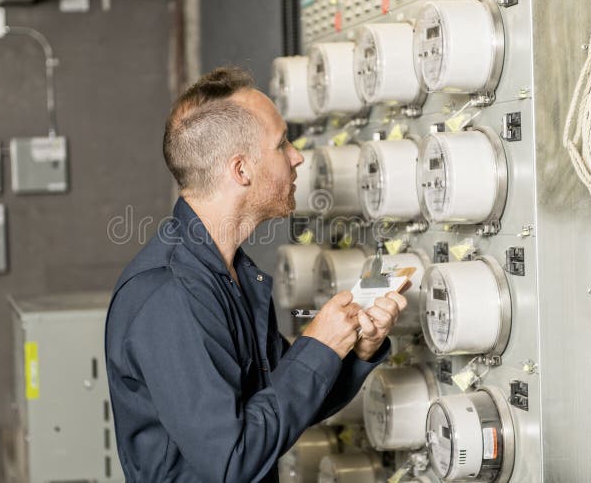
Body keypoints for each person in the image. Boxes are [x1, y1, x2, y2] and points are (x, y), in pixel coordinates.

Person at [105, 67, 407, 482]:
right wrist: (317, 346)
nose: (297, 155)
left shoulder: (232, 276)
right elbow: (232, 462)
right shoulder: (170, 294)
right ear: (241, 170)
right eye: (282, 143)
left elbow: (285, 405)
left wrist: (355, 351)